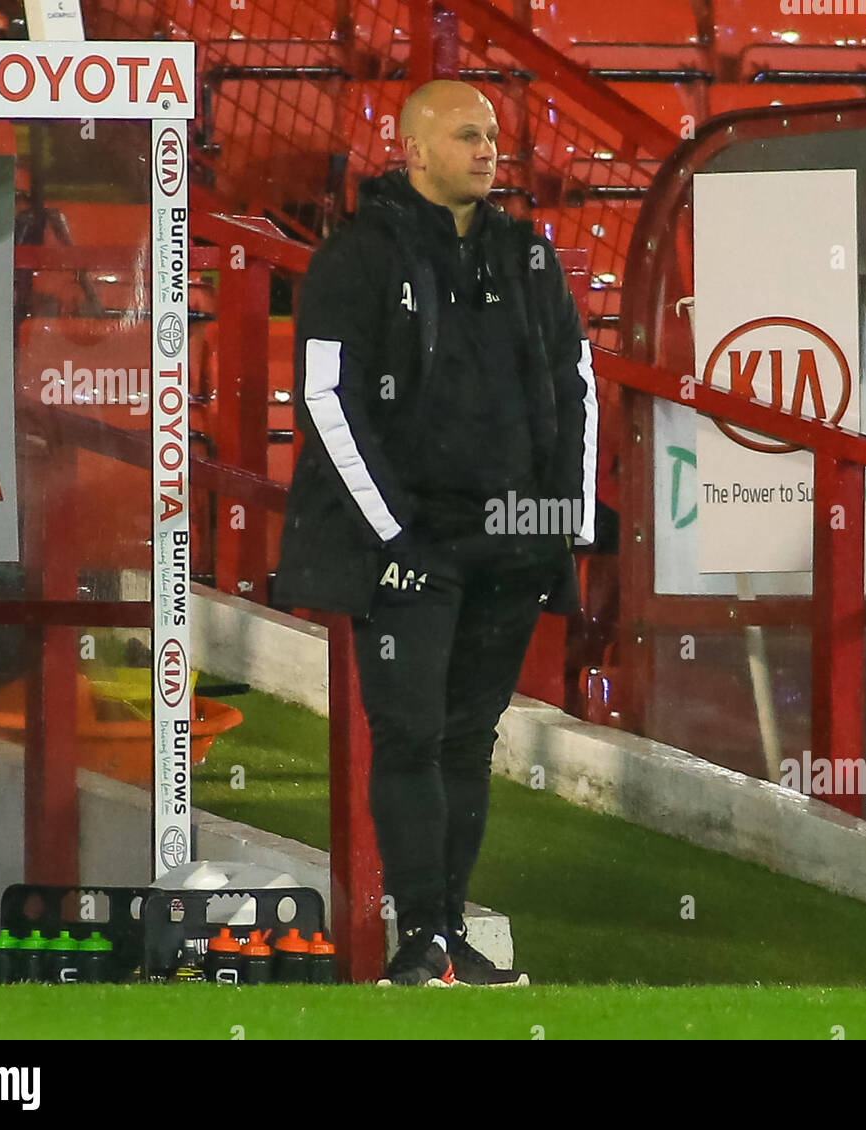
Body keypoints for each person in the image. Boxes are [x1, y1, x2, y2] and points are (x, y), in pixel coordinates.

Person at [274, 81, 597, 985]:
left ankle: (449, 937)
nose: (490, 150)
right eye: (467, 135)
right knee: (411, 735)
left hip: (511, 540)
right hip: (408, 545)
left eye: (493, 136)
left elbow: (580, 386)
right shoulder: (356, 258)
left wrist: (559, 521)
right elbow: (326, 401)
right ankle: (417, 939)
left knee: (467, 741)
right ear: (413, 150)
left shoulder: (528, 255)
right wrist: (394, 538)